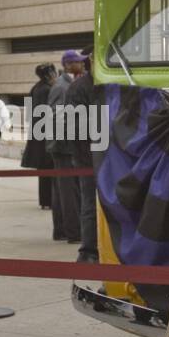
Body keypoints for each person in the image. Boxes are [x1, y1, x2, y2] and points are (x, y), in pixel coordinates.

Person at [46, 50, 84, 243]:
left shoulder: (65, 84)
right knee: (69, 191)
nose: (82, 65)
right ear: (68, 65)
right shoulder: (63, 87)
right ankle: (73, 232)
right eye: (78, 62)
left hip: (61, 145)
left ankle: (61, 230)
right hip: (63, 146)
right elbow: (56, 116)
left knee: (62, 190)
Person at [67, 49, 99, 264]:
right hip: (88, 157)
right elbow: (74, 126)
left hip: (106, 156)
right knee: (89, 204)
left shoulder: (109, 85)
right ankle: (88, 250)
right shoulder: (79, 88)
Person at [20, 64, 56, 212]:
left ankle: (45, 200)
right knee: (50, 169)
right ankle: (50, 200)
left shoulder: (34, 88)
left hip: (36, 134)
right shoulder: (48, 90)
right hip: (46, 135)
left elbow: (28, 114)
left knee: (43, 171)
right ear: (48, 74)